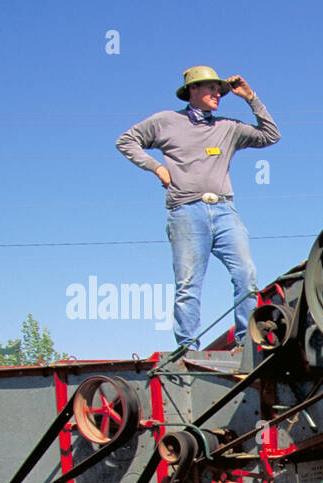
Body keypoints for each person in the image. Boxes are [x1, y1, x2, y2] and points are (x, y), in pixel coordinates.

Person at [116, 66, 280, 349]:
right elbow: (126, 141)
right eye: (210, 88)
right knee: (188, 284)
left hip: (225, 211)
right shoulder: (165, 121)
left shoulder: (227, 127)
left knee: (246, 275)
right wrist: (156, 167)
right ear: (192, 90)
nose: (218, 93)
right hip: (186, 212)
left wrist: (250, 97)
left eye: (219, 89)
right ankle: (187, 349)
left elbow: (270, 135)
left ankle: (247, 341)